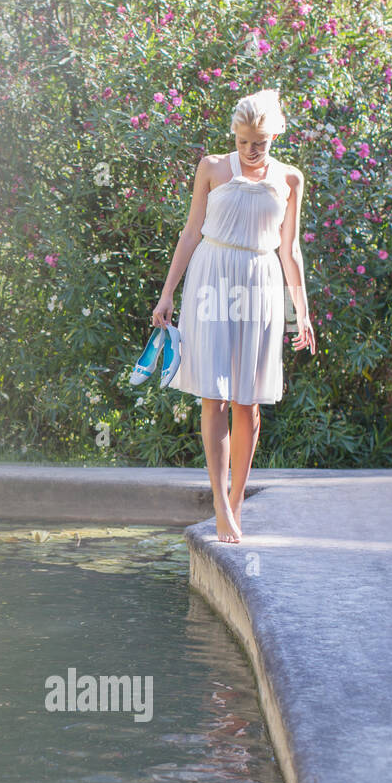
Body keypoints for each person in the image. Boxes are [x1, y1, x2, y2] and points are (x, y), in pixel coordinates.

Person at [152, 88, 317, 543]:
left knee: (249, 401)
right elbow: (190, 233)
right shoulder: (210, 168)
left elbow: (291, 250)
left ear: (274, 135)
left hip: (261, 283)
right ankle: (220, 505)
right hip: (212, 278)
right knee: (216, 396)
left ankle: (238, 502)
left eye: (259, 141)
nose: (250, 150)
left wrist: (300, 313)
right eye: (244, 141)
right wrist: (167, 295)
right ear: (235, 135)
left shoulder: (289, 180)